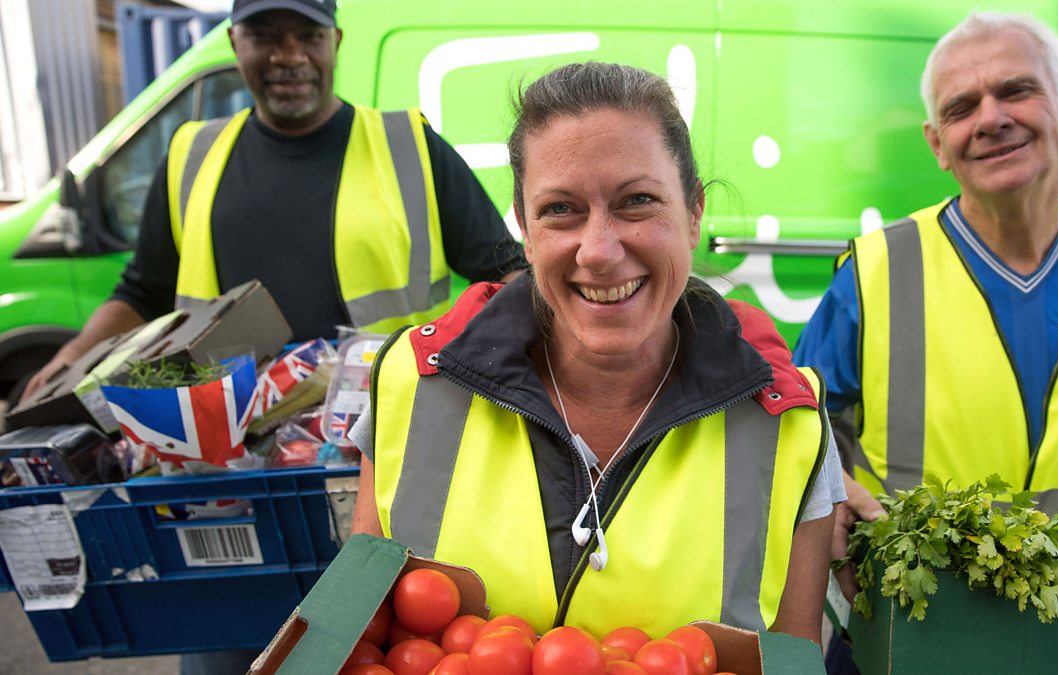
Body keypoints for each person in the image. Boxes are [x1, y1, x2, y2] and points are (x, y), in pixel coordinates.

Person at [352, 62, 845, 643]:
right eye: (560, 209)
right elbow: (363, 633)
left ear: (693, 214)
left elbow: (790, 657)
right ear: (526, 233)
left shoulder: (786, 424)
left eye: (637, 201)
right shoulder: (415, 386)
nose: (600, 251)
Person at [794, 11, 1058, 600]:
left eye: (1016, 90)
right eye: (960, 108)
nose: (991, 118)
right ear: (938, 144)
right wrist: (831, 494)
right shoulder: (878, 270)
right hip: (917, 612)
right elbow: (798, 425)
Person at [23, 0, 525, 398]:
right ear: (233, 42)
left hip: (384, 432)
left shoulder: (409, 146)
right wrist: (72, 357)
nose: (289, 57)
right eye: (265, 36)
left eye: (308, 36)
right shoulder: (189, 155)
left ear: (336, 41)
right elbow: (142, 292)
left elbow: (507, 272)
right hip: (230, 448)